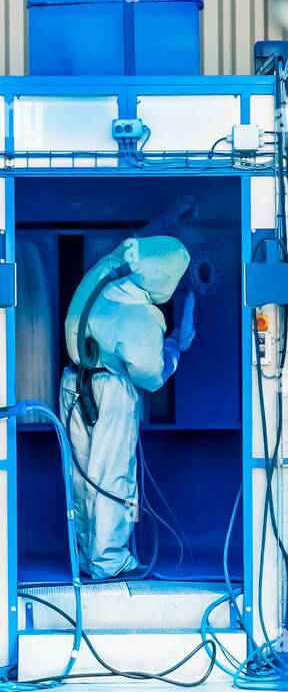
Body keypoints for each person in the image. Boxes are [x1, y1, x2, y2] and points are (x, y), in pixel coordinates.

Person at [59, 236, 195, 580]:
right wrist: (176, 345)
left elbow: (143, 245)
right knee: (111, 475)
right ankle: (108, 560)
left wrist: (174, 217)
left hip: (74, 384)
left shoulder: (106, 268)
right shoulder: (141, 319)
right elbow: (151, 375)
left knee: (81, 474)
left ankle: (87, 555)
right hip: (111, 392)